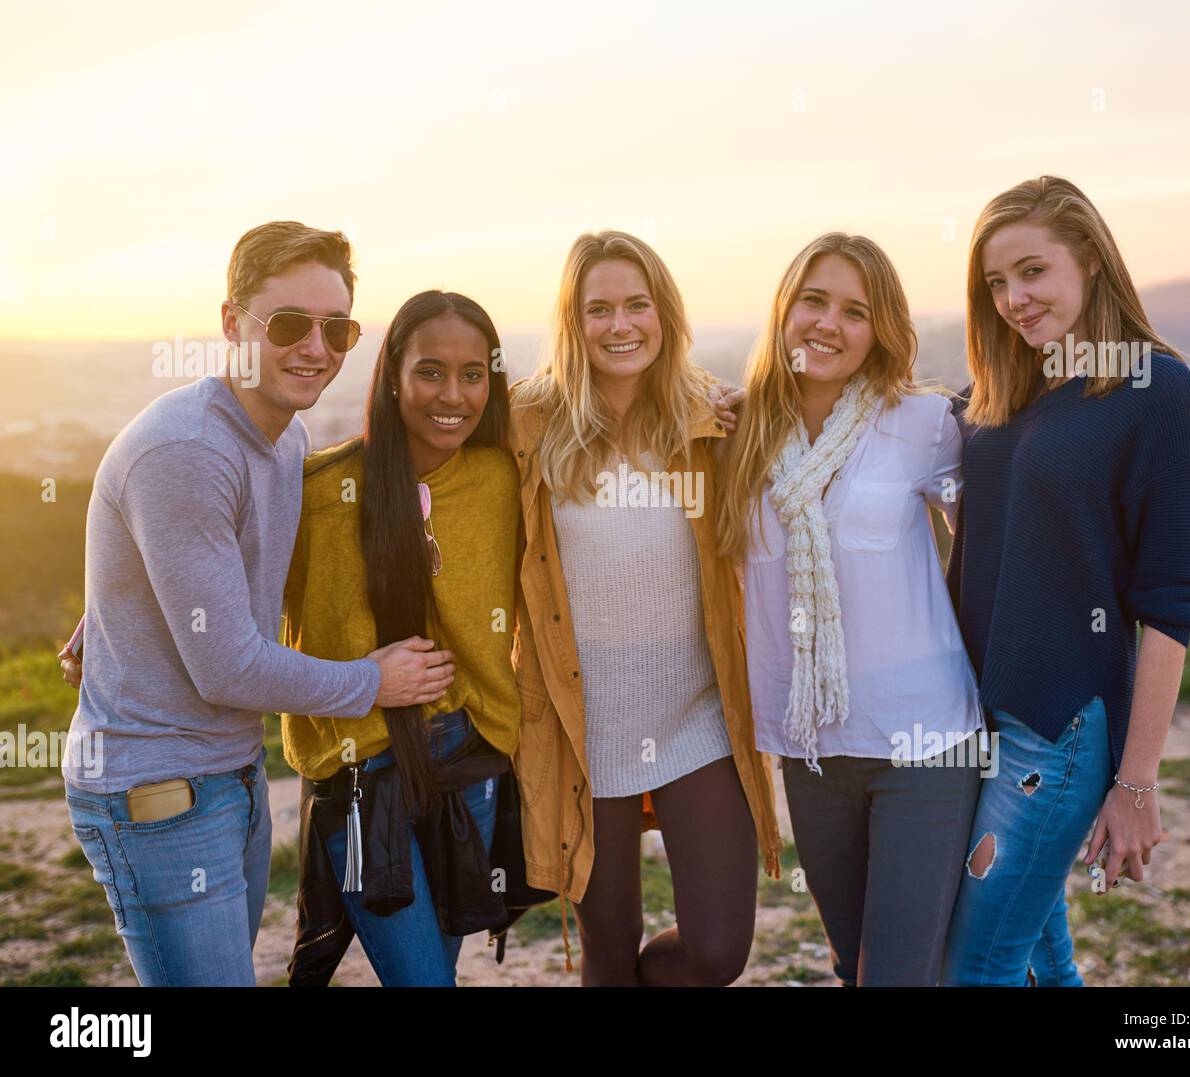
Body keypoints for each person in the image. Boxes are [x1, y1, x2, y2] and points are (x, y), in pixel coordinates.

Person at [61, 222, 448, 986]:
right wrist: (375, 680)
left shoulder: (286, 439)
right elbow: (228, 666)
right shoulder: (187, 449)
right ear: (233, 323)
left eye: (336, 328)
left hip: (230, 775)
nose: (317, 347)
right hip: (157, 792)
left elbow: (237, 566)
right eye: (290, 324)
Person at [941, 176, 1190, 986]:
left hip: (1057, 735)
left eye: (1032, 272)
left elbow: (1170, 607)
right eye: (996, 284)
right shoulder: (1000, 394)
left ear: (1089, 259)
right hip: (981, 715)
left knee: (974, 968)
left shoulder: (1157, 392)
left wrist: (1136, 784)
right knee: (1033, 962)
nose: (1014, 300)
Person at [509, 230, 783, 985]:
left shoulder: (706, 417)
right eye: (599, 309)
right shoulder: (525, 424)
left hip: (697, 714)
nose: (621, 324)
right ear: (573, 322)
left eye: (638, 304)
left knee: (718, 950)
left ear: (665, 313)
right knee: (610, 941)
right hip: (582, 725)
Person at [716, 232, 983, 986]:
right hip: (809, 744)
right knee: (852, 961)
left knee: (900, 971)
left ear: (882, 331)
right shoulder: (736, 437)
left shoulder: (924, 425)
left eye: (855, 311)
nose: (829, 323)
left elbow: (998, 547)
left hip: (924, 738)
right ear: (785, 309)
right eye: (814, 300)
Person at [280, 290, 520, 986]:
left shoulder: (502, 478)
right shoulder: (320, 491)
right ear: (392, 375)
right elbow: (223, 566)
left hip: (466, 764)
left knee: (433, 970)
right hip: (358, 776)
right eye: (431, 371)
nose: (454, 394)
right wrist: (112, 615)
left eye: (473, 374)